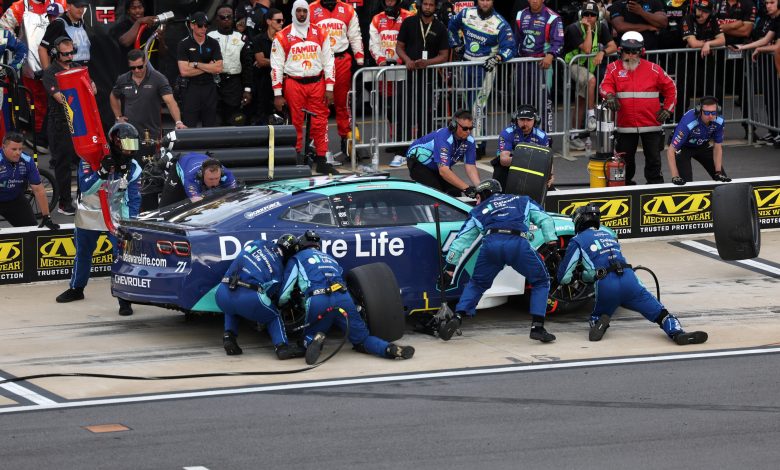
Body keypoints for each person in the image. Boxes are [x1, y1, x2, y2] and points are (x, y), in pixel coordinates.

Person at [557, 204, 708, 345]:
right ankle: (677, 333)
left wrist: (580, 277)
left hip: (606, 284)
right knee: (661, 313)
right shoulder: (608, 235)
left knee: (599, 311)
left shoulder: (576, 240)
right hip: (630, 279)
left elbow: (564, 277)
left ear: (578, 221)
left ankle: (599, 322)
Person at [440, 179, 558, 343]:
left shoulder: (478, 210)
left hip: (491, 245)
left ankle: (458, 316)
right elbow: (545, 219)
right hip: (517, 243)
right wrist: (551, 242)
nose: (477, 201)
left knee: (477, 283)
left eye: (478, 197)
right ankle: (537, 327)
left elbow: (461, 241)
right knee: (541, 281)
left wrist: (450, 268)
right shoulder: (522, 200)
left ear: (484, 193)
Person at [279, 230, 415, 364]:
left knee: (307, 336)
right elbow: (340, 276)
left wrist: (281, 304)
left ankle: (314, 339)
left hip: (318, 299)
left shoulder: (296, 259)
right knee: (362, 339)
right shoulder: (330, 258)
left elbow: (286, 291)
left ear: (301, 245)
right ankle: (388, 349)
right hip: (343, 298)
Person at [55, 123, 142, 317]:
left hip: (115, 216)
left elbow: (134, 198)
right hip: (88, 212)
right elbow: (86, 188)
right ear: (115, 141)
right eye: (126, 143)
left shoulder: (134, 167)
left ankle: (124, 298)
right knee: (83, 253)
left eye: (133, 144)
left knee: (121, 257)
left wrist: (130, 223)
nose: (130, 149)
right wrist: (101, 172)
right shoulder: (89, 160)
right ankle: (76, 289)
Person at [599, 31, 676, 185]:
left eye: (635, 51)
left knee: (654, 159)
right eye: (627, 51)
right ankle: (624, 186)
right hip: (625, 125)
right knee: (626, 160)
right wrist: (609, 96)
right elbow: (604, 86)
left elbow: (671, 88)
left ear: (642, 52)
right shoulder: (613, 68)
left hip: (651, 124)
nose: (631, 55)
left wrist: (668, 109)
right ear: (621, 50)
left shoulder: (654, 69)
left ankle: (655, 186)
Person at [270, 0, 337, 175]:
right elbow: (276, 67)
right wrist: (278, 94)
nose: (301, 14)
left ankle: (322, 159)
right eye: (298, 11)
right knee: (296, 123)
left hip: (317, 83)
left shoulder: (321, 32)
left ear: (308, 12)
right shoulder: (282, 36)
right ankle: (297, 158)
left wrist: (330, 88)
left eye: (304, 11)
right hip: (294, 84)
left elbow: (329, 61)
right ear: (293, 12)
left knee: (321, 121)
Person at [216, 234, 308, 359]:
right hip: (248, 297)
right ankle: (282, 347)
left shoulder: (257, 243)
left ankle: (229, 337)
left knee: (231, 307)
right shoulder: (279, 270)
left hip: (222, 291)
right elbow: (277, 297)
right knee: (273, 315)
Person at [448, 0, 515, 157]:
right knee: (466, 105)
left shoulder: (500, 23)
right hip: (466, 66)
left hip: (485, 69)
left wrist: (497, 58)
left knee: (478, 106)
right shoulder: (466, 13)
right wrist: (457, 45)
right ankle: (466, 141)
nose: (485, 3)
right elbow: (451, 27)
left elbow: (510, 47)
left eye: (488, 0)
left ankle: (477, 145)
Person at [0, 0, 68, 147]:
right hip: (31, 64)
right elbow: (4, 26)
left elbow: (70, 23)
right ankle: (39, 138)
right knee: (38, 102)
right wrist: (16, 43)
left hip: (58, 62)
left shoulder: (60, 2)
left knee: (60, 101)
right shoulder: (20, 6)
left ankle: (54, 139)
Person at [42, 36, 94, 216]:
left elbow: (92, 90)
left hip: (79, 120)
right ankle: (64, 203)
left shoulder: (77, 69)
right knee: (62, 165)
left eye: (72, 52)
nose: (70, 57)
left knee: (83, 162)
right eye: (65, 54)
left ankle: (82, 198)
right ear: (56, 53)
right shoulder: (50, 72)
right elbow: (60, 99)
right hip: (60, 124)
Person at [309, 0, 364, 156]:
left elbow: (355, 36)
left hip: (341, 61)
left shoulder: (347, 9)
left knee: (343, 103)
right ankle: (314, 145)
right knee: (317, 104)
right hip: (318, 61)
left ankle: (348, 142)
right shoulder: (310, 9)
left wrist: (359, 61)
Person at [563, 2, 618, 150]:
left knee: (581, 99)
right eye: (585, 14)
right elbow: (587, 49)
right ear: (581, 15)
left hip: (589, 67)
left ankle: (574, 136)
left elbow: (613, 46)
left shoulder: (601, 26)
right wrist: (588, 29)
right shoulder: (574, 28)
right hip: (573, 65)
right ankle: (591, 116)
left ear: (597, 16)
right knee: (591, 80)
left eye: (592, 15)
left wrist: (602, 52)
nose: (589, 17)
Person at [396, 0, 450, 142]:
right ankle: (402, 146)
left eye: (431, 5)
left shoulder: (440, 27)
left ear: (435, 7)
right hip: (408, 74)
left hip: (429, 77)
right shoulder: (408, 22)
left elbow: (444, 55)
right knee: (404, 111)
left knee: (426, 112)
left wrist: (427, 63)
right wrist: (407, 60)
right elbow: (399, 47)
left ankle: (425, 144)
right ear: (420, 5)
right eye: (425, 4)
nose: (427, 7)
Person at [369, 0, 413, 166]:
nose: (389, 2)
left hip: (404, 70)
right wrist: (380, 60)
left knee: (403, 108)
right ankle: (396, 139)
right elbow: (373, 43)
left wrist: (404, 60)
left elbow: (413, 42)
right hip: (385, 70)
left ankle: (403, 146)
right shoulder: (376, 19)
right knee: (389, 107)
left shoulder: (409, 16)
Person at [111, 49, 186, 142]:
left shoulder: (158, 78)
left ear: (145, 62)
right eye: (133, 68)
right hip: (129, 132)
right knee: (130, 156)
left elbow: (170, 102)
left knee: (152, 156)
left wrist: (178, 122)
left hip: (152, 132)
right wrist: (118, 117)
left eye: (140, 66)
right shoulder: (123, 79)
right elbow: (113, 96)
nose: (137, 70)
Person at [732, 0, 780, 145]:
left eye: (772, 2)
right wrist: (742, 47)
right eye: (766, 3)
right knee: (770, 98)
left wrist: (760, 49)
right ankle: (774, 130)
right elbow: (766, 40)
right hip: (775, 64)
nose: (768, 5)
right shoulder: (774, 20)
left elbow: (777, 47)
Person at [406, 109, 481, 196]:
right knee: (436, 194)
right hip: (419, 162)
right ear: (454, 125)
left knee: (455, 192)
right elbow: (444, 171)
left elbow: (471, 167)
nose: (468, 132)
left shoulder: (470, 141)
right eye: (465, 128)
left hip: (437, 165)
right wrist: (467, 188)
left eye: (470, 128)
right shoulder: (444, 138)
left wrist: (479, 188)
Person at [515, 0, 564, 134]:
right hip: (523, 64)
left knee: (544, 102)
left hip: (543, 65)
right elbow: (515, 39)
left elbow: (559, 41)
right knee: (522, 102)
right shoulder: (521, 14)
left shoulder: (553, 17)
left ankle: (545, 136)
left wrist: (551, 55)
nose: (535, 0)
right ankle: (523, 135)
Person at [667, 96, 732, 184]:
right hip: (683, 147)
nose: (710, 116)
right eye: (706, 112)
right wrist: (675, 176)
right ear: (699, 111)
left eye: (713, 112)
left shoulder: (719, 121)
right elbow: (671, 150)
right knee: (685, 183)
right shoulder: (688, 122)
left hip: (702, 144)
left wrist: (718, 172)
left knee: (722, 178)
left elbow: (717, 147)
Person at [0, 132, 58, 229]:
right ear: (3, 147)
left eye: (20, 149)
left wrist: (46, 216)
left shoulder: (27, 161)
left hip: (14, 200)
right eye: (14, 149)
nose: (18, 152)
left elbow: (38, 190)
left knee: (31, 231)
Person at [177, 12, 224, 128]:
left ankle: (209, 146)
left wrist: (196, 64)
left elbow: (218, 68)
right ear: (192, 25)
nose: (204, 28)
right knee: (189, 124)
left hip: (209, 87)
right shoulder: (183, 44)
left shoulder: (213, 43)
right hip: (191, 88)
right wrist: (209, 67)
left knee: (210, 124)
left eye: (206, 25)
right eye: (200, 25)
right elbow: (184, 71)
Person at [208, 5, 253, 126]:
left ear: (233, 18)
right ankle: (214, 144)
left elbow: (247, 66)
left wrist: (247, 89)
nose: (226, 19)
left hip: (233, 83)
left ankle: (231, 143)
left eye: (229, 17)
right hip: (213, 82)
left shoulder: (241, 38)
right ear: (217, 19)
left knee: (233, 118)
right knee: (214, 118)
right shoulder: (209, 37)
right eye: (222, 17)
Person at [679, 0, 725, 114]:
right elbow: (693, 43)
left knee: (713, 89)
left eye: (706, 11)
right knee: (683, 91)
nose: (702, 14)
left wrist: (708, 44)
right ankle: (678, 120)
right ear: (695, 9)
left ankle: (711, 118)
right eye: (700, 10)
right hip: (687, 60)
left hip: (706, 60)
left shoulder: (712, 19)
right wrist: (707, 42)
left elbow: (722, 40)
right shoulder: (687, 19)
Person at [491, 104, 551, 190]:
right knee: (499, 167)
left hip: (531, 169)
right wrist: (528, 160)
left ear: (535, 120)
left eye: (529, 120)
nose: (525, 123)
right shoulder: (507, 133)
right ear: (516, 119)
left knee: (549, 184)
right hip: (509, 169)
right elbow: (504, 160)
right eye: (522, 119)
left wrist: (551, 175)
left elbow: (548, 160)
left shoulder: (541, 136)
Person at [158, 153, 237, 206]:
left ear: (221, 174)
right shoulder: (191, 177)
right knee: (168, 203)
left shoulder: (226, 173)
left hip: (199, 158)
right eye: (210, 179)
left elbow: (235, 195)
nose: (214, 182)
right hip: (183, 166)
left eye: (216, 178)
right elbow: (197, 202)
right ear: (201, 175)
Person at [249, 8, 285, 125]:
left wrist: (268, 61)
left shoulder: (286, 39)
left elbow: (264, 61)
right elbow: (260, 60)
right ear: (269, 21)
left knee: (282, 114)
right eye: (278, 20)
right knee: (263, 116)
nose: (281, 23)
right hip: (263, 82)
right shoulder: (258, 39)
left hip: (281, 81)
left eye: (282, 20)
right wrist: (280, 62)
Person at [109, 0, 159, 74]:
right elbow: (125, 42)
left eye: (140, 7)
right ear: (128, 11)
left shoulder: (151, 27)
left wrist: (161, 38)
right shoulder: (121, 26)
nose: (137, 11)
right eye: (133, 8)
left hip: (149, 72)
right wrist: (139, 22)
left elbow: (162, 53)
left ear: (144, 8)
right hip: (129, 72)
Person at [39, 0, 91, 68]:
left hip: (83, 71)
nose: (81, 10)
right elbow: (42, 48)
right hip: (65, 72)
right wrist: (47, 74)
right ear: (68, 6)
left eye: (83, 7)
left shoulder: (83, 22)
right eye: (78, 6)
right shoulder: (58, 24)